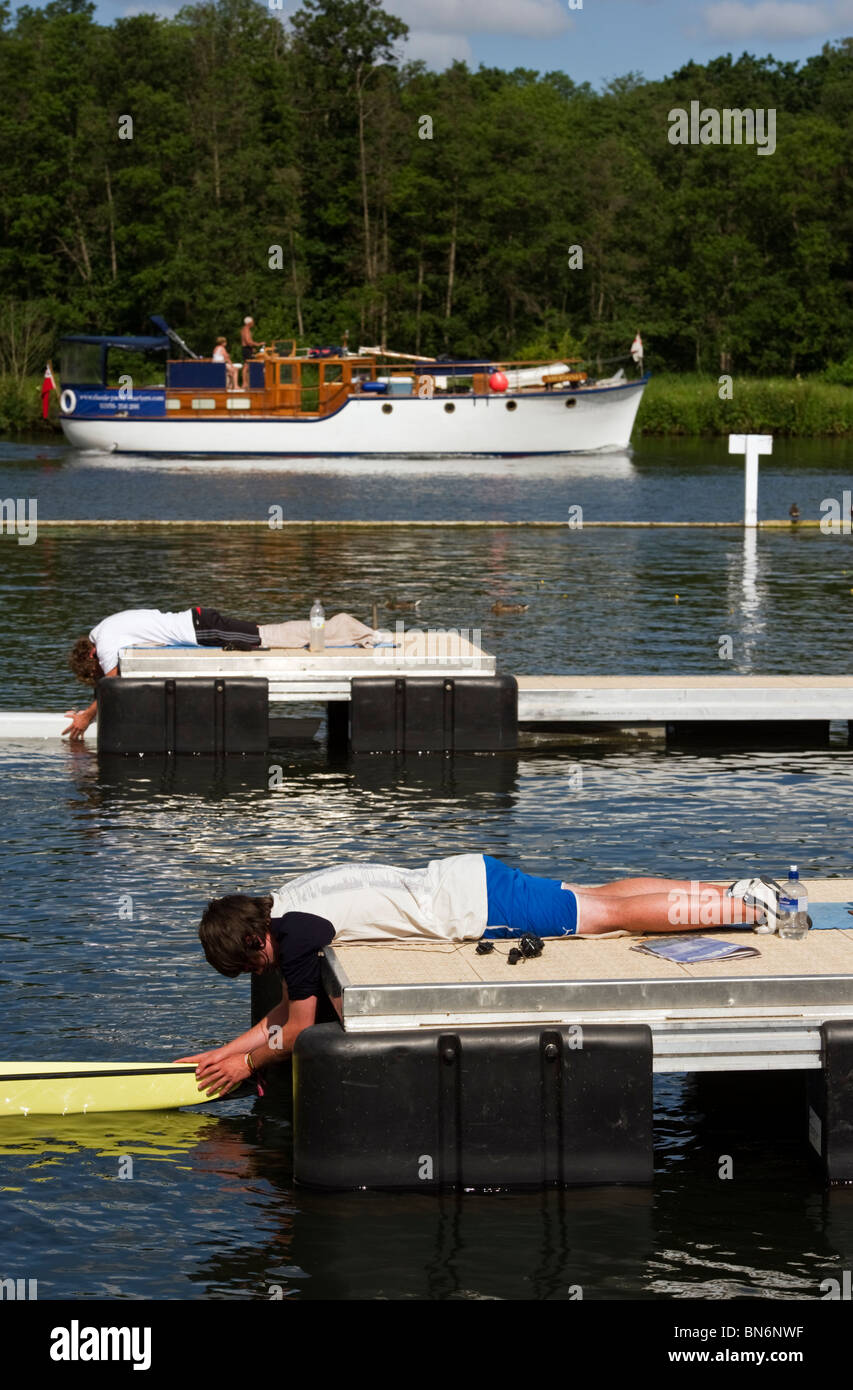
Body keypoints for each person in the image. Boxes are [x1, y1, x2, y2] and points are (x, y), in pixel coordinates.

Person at [177, 858, 779, 1095]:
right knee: (594, 900)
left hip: (479, 911)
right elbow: (285, 1011)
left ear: (256, 943)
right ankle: (729, 892)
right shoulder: (284, 903)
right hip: (467, 875)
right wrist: (223, 1051)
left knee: (607, 917)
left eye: (249, 963)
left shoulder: (296, 938)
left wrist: (247, 1066)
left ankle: (748, 909)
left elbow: (302, 1025)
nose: (259, 969)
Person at [63, 606, 383, 741]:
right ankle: (338, 628)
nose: (98, 672)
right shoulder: (107, 628)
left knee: (266, 638)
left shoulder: (104, 641)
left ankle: (344, 628)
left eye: (93, 671)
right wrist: (91, 710)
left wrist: (87, 717)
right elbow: (109, 680)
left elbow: (113, 681)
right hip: (201, 623)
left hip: (204, 629)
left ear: (91, 655)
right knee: (266, 635)